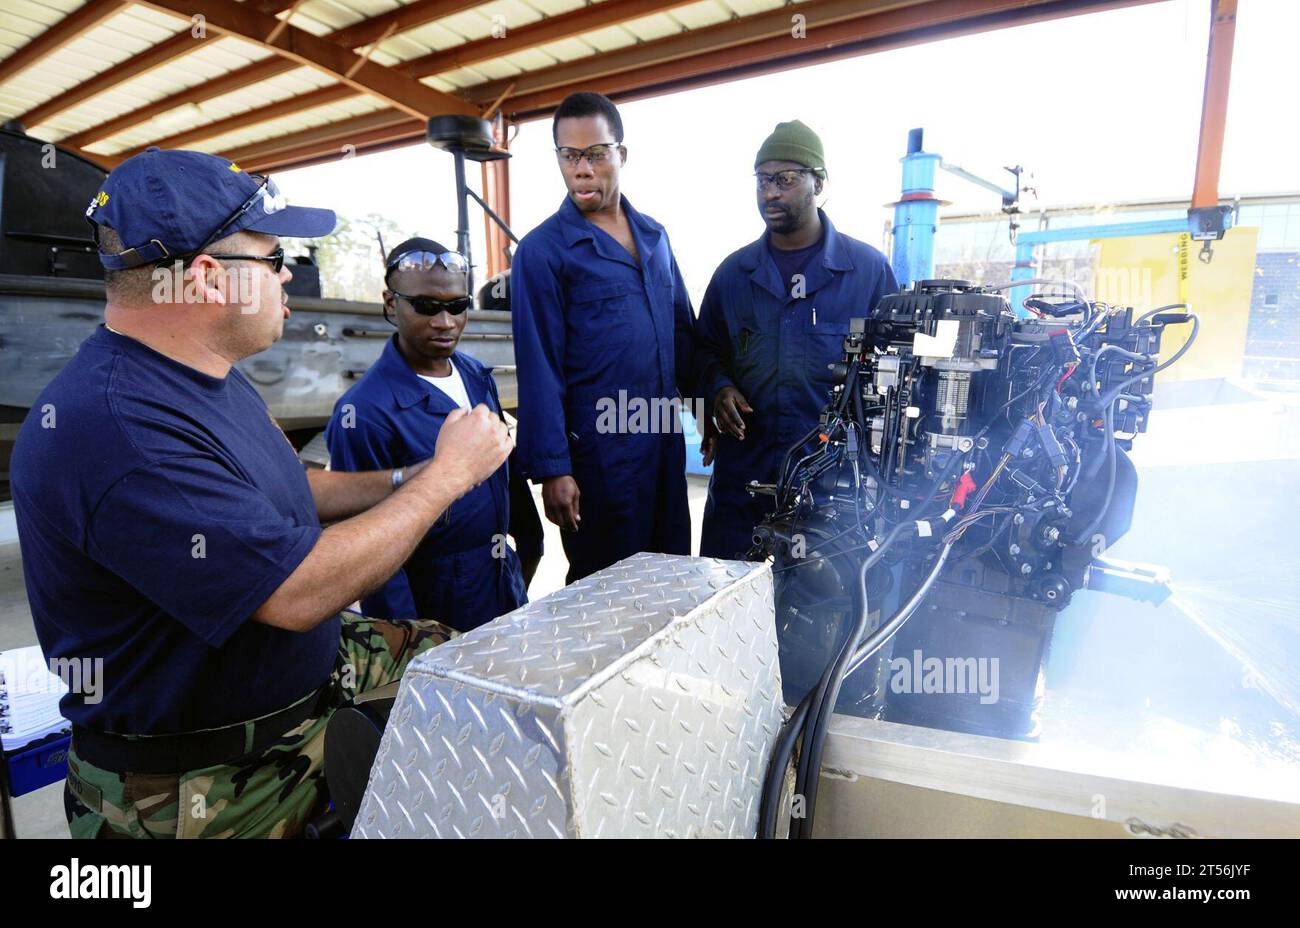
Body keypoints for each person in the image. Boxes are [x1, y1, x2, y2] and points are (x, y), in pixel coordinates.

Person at [9, 148, 512, 838]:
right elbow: (297, 593)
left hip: (297, 686)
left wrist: (414, 475)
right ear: (211, 279)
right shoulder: (118, 427)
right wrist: (450, 480)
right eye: (275, 259)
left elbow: (292, 488)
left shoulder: (201, 372)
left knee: (484, 663)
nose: (286, 278)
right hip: (199, 782)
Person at [511, 91, 695, 583]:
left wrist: (709, 398)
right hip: (600, 458)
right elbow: (539, 365)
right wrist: (554, 469)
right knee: (606, 589)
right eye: (569, 156)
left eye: (595, 154)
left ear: (621, 155)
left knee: (670, 575)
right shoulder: (543, 252)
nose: (582, 169)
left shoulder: (655, 239)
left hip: (662, 439)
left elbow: (683, 329)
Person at [696, 120, 899, 559]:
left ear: (818, 183)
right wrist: (717, 388)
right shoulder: (733, 276)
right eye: (763, 180)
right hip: (742, 489)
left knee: (826, 618)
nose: (771, 192)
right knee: (726, 614)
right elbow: (702, 350)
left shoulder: (866, 272)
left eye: (786, 179)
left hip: (832, 497)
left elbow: (897, 371)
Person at [325, 237, 528, 630]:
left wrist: (529, 540)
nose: (445, 322)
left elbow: (500, 462)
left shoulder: (473, 374)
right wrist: (407, 643)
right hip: (435, 602)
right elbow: (374, 554)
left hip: (500, 579)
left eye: (457, 306)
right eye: (426, 307)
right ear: (390, 303)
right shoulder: (365, 411)